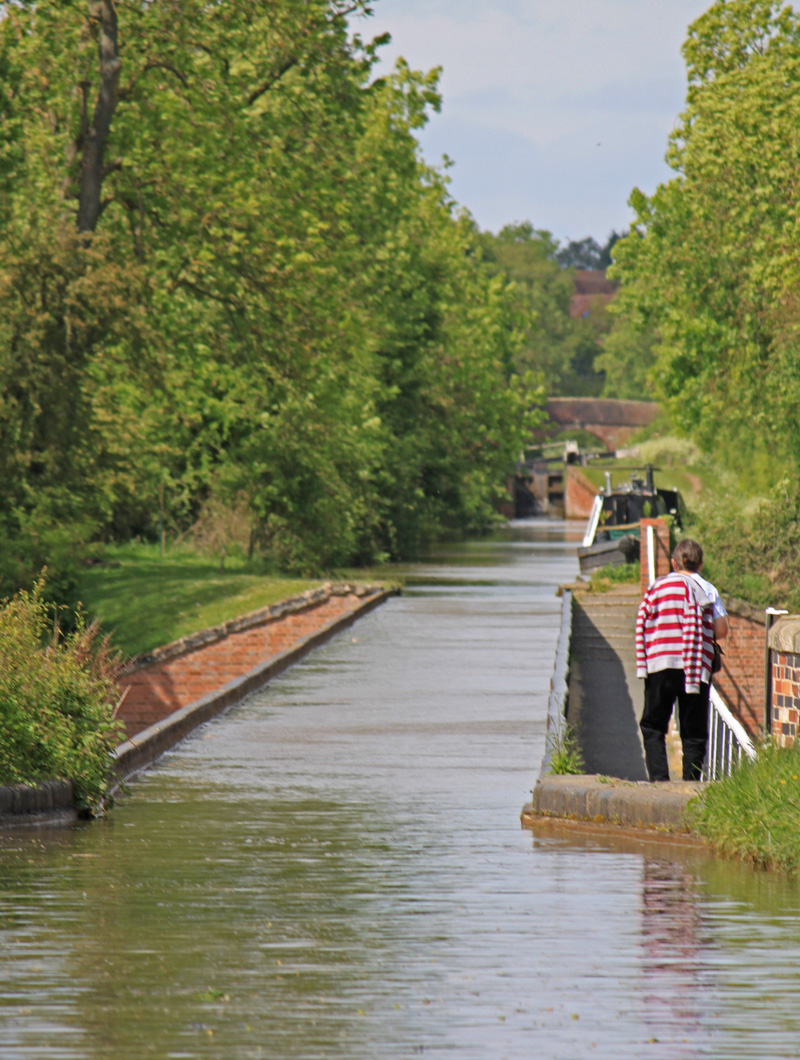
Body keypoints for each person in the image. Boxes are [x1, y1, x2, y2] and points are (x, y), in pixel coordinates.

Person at [635, 538, 729, 782]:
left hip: (660, 664)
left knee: (653, 726)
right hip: (695, 666)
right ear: (701, 564)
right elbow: (721, 631)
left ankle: (659, 782)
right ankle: (690, 786)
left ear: (674, 562)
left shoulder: (657, 588)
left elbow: (642, 620)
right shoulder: (707, 589)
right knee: (694, 732)